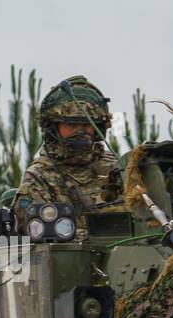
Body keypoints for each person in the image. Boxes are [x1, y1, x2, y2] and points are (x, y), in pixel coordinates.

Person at [13, 76, 122, 230]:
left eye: (87, 124)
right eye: (71, 124)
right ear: (53, 128)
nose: (80, 131)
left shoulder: (117, 170)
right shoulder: (39, 177)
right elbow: (42, 239)